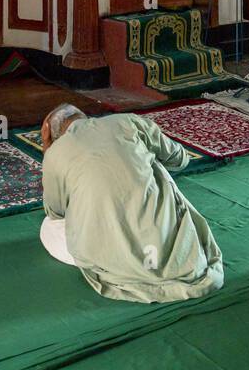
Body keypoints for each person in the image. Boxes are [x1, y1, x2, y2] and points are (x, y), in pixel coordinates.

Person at [39, 104, 224, 303]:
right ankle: (154, 259)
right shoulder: (127, 121)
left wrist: (49, 155)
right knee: (153, 165)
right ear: (85, 118)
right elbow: (180, 159)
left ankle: (123, 263)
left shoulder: (55, 153)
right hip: (163, 243)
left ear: (54, 136)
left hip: (110, 254)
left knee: (48, 227)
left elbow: (56, 212)